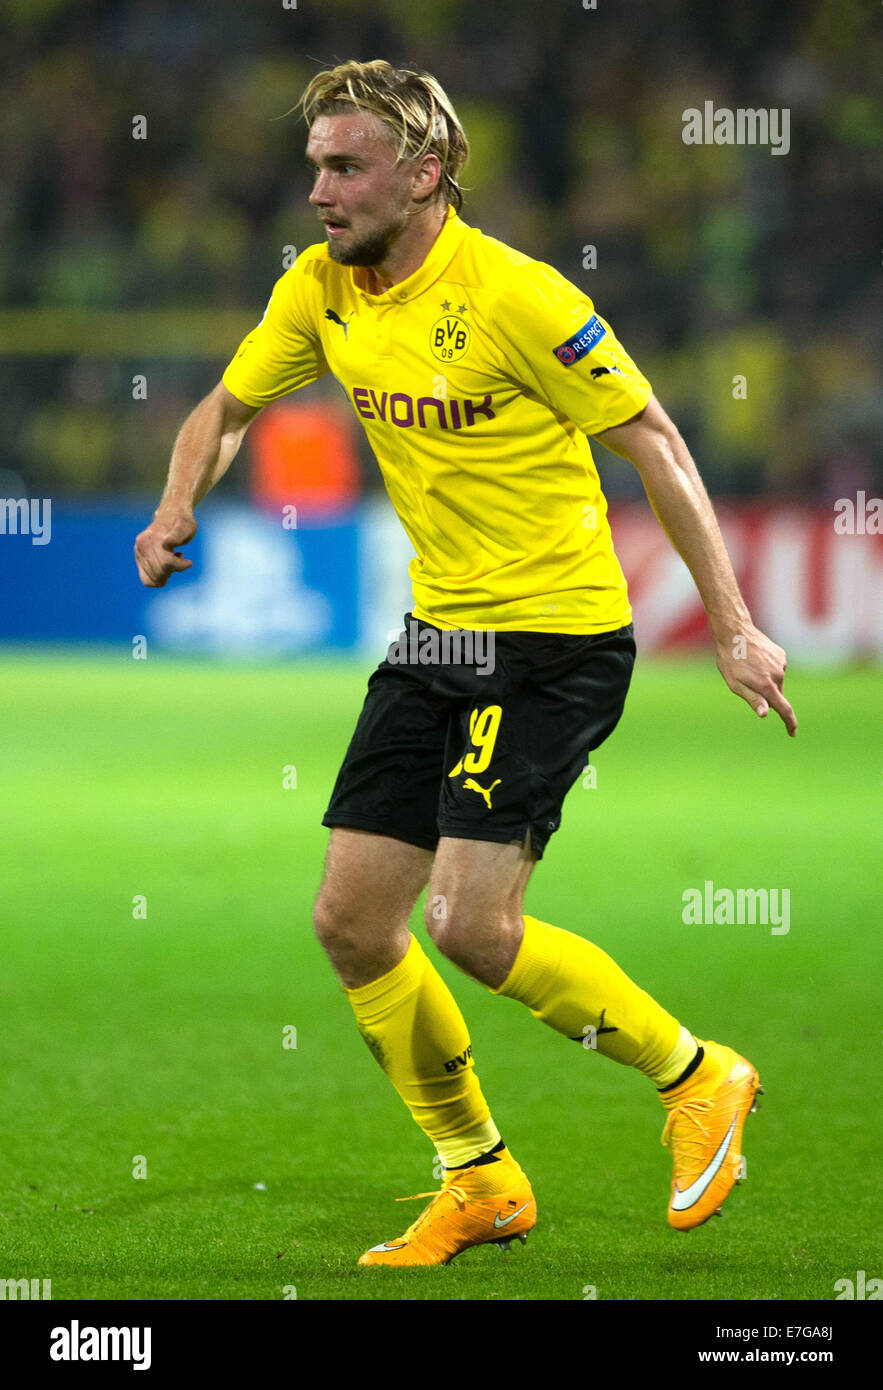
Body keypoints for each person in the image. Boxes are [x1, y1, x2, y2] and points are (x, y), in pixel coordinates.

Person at [134, 59, 796, 1268]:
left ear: (425, 174)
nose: (319, 192)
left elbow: (655, 442)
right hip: (438, 637)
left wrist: (737, 624)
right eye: (314, 167)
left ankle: (697, 1074)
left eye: (345, 167)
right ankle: (478, 1174)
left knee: (471, 926)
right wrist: (176, 503)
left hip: (552, 640)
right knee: (350, 921)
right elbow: (223, 409)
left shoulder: (518, 298)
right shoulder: (319, 287)